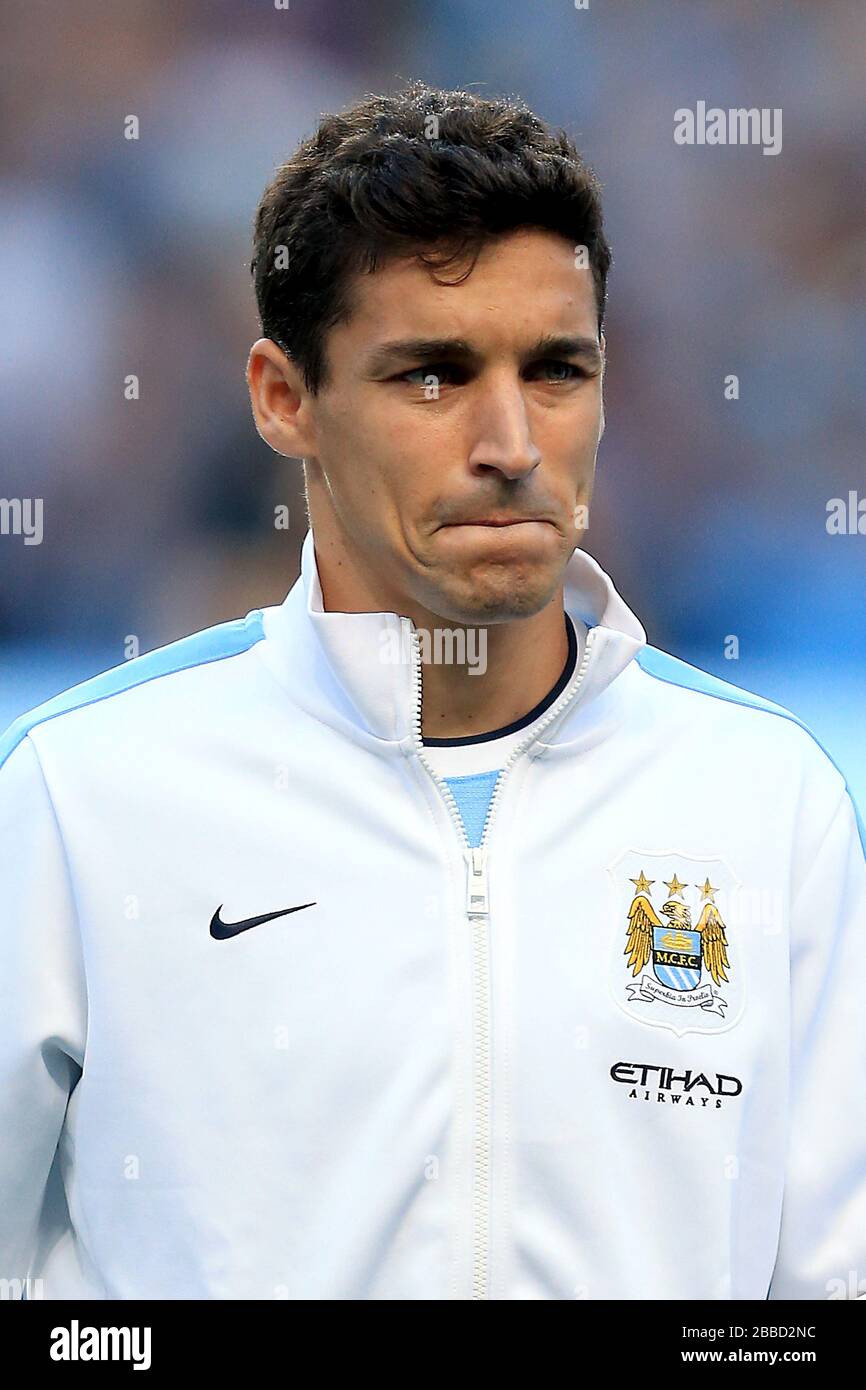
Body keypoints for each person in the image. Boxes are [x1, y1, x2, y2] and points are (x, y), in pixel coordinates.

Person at [1, 81, 864, 1301]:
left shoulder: (768, 803)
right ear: (282, 398)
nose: (511, 442)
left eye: (557, 369)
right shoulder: (80, 800)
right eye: (432, 375)